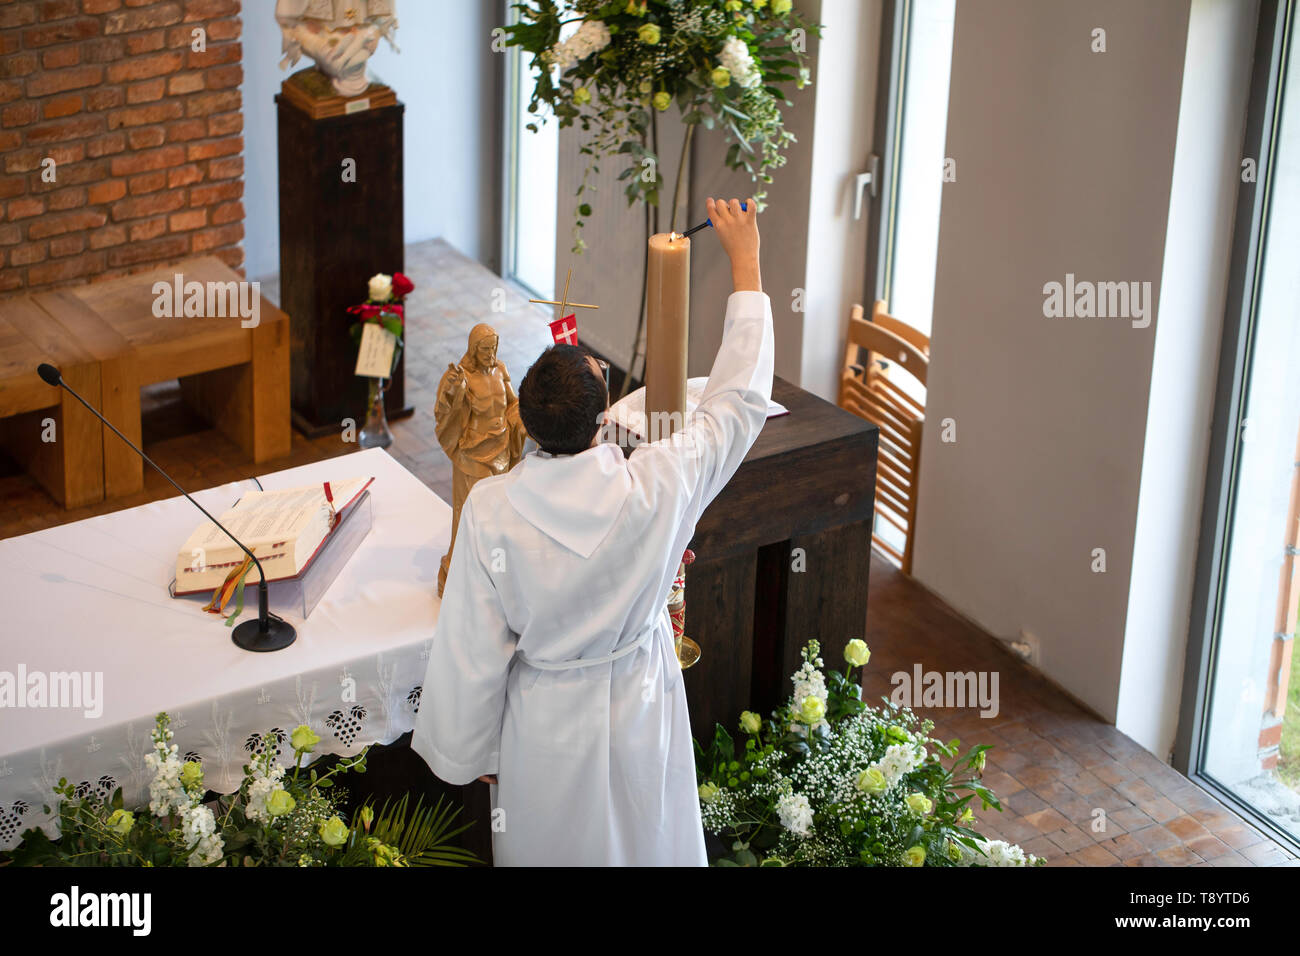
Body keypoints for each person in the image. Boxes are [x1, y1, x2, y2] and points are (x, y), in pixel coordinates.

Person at [412, 198, 773, 865]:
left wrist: (474, 749)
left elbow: (471, 647)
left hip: (546, 728)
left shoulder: (492, 509)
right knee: (646, 839)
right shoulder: (660, 482)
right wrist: (745, 259)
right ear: (603, 416)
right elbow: (737, 402)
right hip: (641, 700)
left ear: (526, 417)